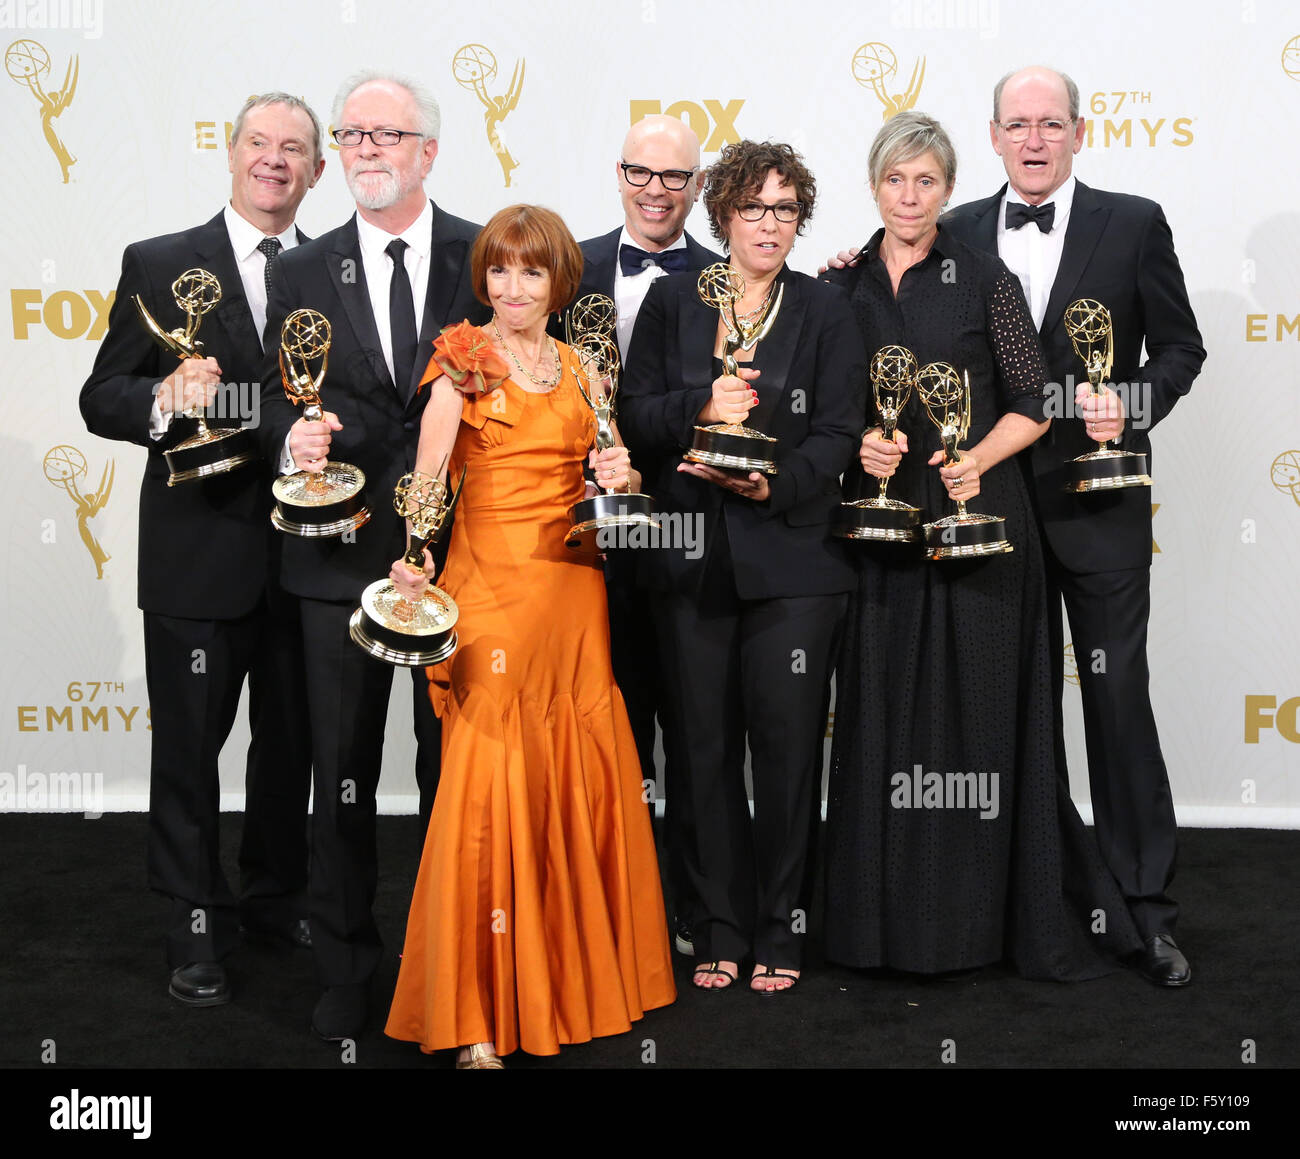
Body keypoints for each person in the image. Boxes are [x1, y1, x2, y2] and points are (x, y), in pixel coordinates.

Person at [822, 110, 1142, 980]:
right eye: (896, 179)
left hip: (981, 519)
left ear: (950, 191)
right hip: (883, 525)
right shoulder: (839, 286)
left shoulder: (985, 279)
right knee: (884, 714)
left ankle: (983, 928)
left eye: (927, 180)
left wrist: (973, 457)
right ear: (875, 185)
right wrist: (863, 444)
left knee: (982, 718)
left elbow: (1037, 400)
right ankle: (875, 930)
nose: (910, 195)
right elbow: (823, 402)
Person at [384, 204, 675, 1068]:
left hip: (574, 592)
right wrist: (413, 562)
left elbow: (609, 462)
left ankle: (580, 980)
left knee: (570, 768)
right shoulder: (460, 361)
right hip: (490, 593)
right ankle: (477, 1007)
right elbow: (427, 479)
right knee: (486, 786)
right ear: (484, 278)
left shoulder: (585, 364)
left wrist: (620, 467)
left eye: (531, 272)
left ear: (559, 282)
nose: (513, 288)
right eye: (500, 271)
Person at [943, 67, 1206, 986]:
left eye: (1051, 123)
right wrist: (851, 267)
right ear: (992, 134)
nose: (1034, 139)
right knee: (1004, 711)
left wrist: (1128, 405)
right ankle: (1024, 900)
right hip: (990, 504)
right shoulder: (953, 227)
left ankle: (1145, 909)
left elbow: (1181, 347)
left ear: (1080, 132)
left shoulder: (1133, 220)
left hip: (1099, 501)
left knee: (1116, 704)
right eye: (1018, 124)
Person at [256, 71, 486, 1040]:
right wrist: (288, 439)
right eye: (350, 135)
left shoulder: (486, 257)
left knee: (454, 773)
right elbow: (274, 392)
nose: (364, 151)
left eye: (386, 136)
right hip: (336, 559)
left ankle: (449, 969)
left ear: (427, 152)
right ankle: (348, 965)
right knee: (340, 771)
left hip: (459, 558)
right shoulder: (299, 272)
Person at [80, 92, 323, 1007]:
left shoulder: (333, 270)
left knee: (290, 745)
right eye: (259, 143)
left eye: (292, 148)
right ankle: (190, 920)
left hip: (307, 554)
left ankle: (273, 895)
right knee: (189, 749)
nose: (274, 160)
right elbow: (102, 394)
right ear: (230, 156)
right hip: (196, 555)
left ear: (315, 169)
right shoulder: (160, 262)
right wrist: (166, 399)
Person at [620, 140, 865, 994]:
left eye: (786, 209)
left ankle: (782, 928)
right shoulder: (670, 300)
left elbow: (839, 432)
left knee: (789, 754)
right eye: (754, 207)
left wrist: (775, 482)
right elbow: (633, 412)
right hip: (687, 560)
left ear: (802, 221)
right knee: (700, 751)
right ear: (721, 213)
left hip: (795, 563)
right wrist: (700, 407)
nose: (769, 224)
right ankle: (717, 925)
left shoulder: (828, 309)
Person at [555, 114, 722, 958]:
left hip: (683, 539)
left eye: (675, 177)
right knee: (597, 735)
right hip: (575, 545)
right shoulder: (556, 268)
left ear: (698, 187)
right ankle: (600, 912)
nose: (656, 190)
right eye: (640, 172)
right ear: (616, 173)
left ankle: (691, 910)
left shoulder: (734, 283)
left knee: (691, 735)